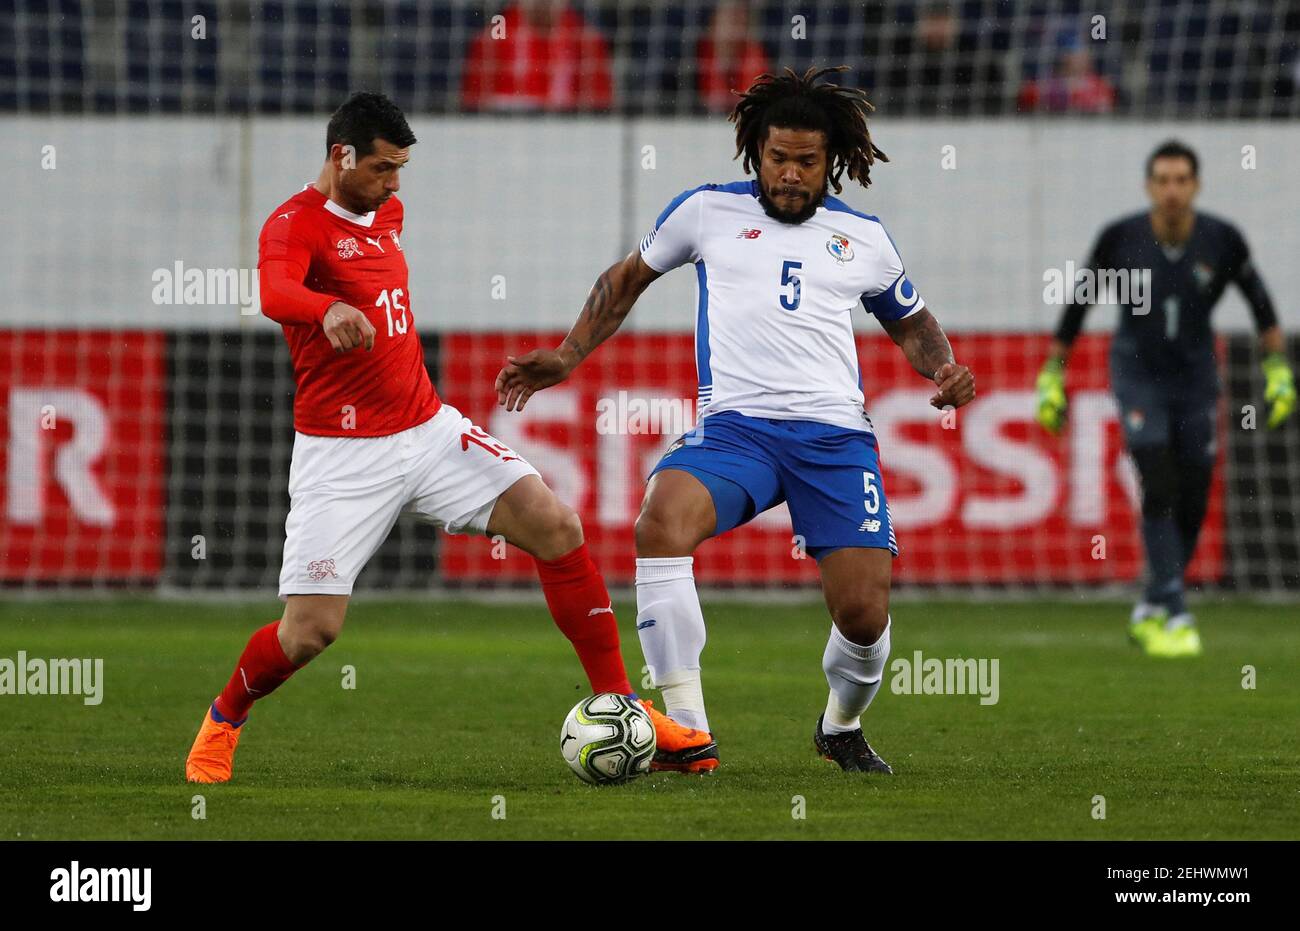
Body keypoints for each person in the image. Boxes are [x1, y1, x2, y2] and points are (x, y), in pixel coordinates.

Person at [185, 92, 708, 783]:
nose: (393, 184)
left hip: (428, 430)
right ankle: (223, 719)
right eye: (380, 168)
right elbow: (275, 291)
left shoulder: (387, 211)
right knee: (310, 631)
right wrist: (326, 306)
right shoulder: (294, 224)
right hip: (341, 457)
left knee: (556, 523)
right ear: (341, 157)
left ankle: (626, 706)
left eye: (400, 168)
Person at [496, 67, 976, 774]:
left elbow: (911, 321)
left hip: (834, 438)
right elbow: (626, 278)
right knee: (660, 521)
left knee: (864, 616)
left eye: (805, 162)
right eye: (777, 157)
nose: (789, 173)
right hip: (737, 430)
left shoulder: (863, 236)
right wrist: (569, 355)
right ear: (757, 151)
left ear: (831, 161)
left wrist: (941, 366)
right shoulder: (704, 212)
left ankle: (841, 724)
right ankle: (688, 731)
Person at [1034, 139, 1294, 658]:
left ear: (1195, 186)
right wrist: (1052, 374)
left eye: (1181, 180)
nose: (1172, 191)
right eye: (1163, 180)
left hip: (1197, 377)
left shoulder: (1223, 241)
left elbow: (1262, 305)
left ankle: (1153, 599)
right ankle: (1175, 610)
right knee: (1158, 475)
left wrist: (1277, 370)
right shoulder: (1120, 238)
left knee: (1194, 492)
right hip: (1137, 373)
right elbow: (1079, 305)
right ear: (1149, 186)